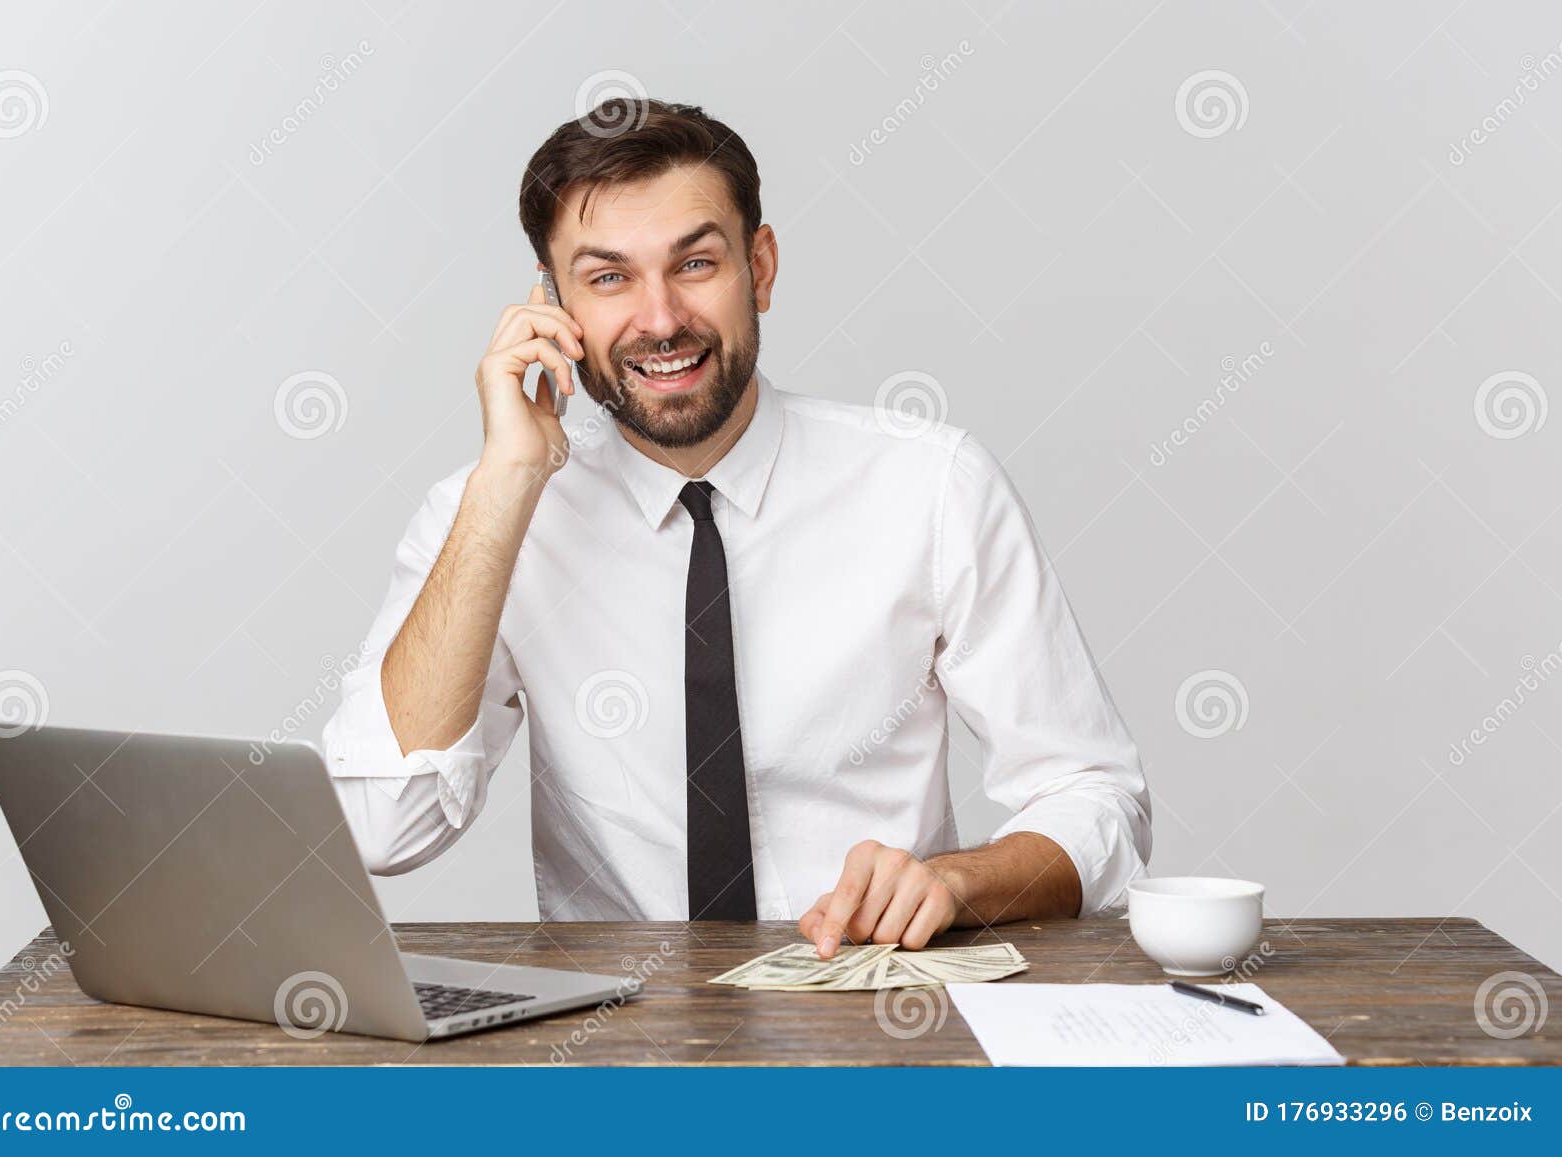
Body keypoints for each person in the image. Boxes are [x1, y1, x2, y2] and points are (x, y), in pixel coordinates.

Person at [322, 98, 1150, 958]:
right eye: (608, 277)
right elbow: (384, 825)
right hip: (616, 1043)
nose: (660, 318)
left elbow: (1097, 797)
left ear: (759, 266)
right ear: (552, 302)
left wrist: (956, 882)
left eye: (696, 263)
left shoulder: (930, 485)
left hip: (878, 1018)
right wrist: (503, 488)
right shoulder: (493, 515)